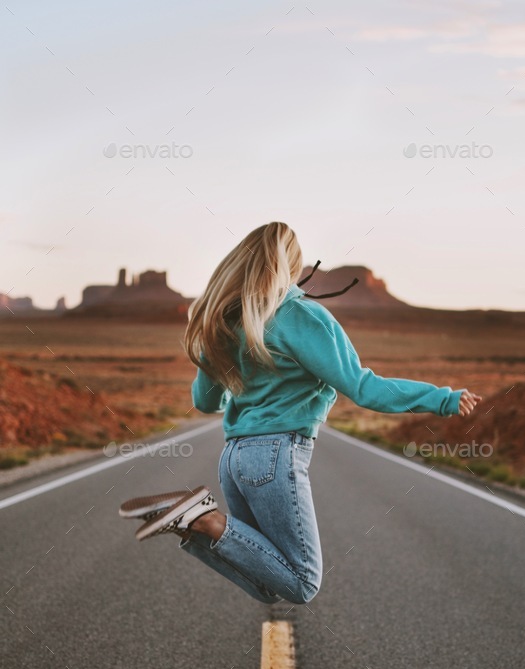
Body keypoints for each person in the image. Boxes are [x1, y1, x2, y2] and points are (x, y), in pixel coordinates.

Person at [119, 221, 482, 606]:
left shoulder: (222, 322)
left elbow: (206, 402)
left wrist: (249, 395)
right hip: (275, 455)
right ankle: (204, 519)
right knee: (303, 582)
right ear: (290, 263)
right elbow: (363, 387)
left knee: (267, 582)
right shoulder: (299, 316)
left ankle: (195, 525)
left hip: (234, 459)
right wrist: (442, 398)